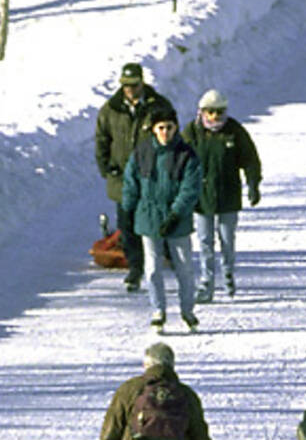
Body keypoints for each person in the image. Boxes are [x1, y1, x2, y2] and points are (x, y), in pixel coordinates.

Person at [96, 62, 175, 292]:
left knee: (158, 218)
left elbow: (171, 135)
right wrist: (106, 167)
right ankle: (135, 268)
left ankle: (168, 254)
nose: (130, 90)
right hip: (122, 178)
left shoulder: (158, 106)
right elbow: (102, 139)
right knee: (127, 224)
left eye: (134, 85)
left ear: (142, 82)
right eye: (126, 86)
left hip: (152, 176)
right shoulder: (110, 109)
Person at [123, 105, 203, 333]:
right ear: (153, 129)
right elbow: (131, 182)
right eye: (161, 128)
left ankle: (188, 310)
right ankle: (158, 310)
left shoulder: (186, 155)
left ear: (176, 127)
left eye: (169, 127)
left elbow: (190, 188)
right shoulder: (142, 152)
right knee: (152, 268)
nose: (165, 132)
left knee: (184, 267)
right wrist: (128, 211)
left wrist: (176, 214)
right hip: (148, 216)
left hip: (178, 219)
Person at [183, 89, 261, 302]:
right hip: (201, 196)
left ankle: (228, 273)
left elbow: (250, 159)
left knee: (227, 239)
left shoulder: (234, 131)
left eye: (219, 112)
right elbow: (178, 161)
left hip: (228, 194)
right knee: (205, 240)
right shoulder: (192, 132)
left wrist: (253, 183)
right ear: (202, 112)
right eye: (210, 112)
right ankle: (207, 282)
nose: (215, 117)